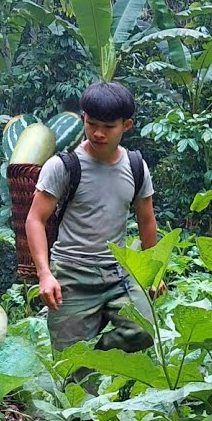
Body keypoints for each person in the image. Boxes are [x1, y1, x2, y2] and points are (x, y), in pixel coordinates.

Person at [25, 81, 165, 357]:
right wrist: (45, 274)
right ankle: (83, 360)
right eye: (92, 124)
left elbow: (147, 220)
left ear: (126, 125)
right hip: (72, 275)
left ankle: (95, 355)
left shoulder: (136, 166)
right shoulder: (63, 166)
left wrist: (155, 272)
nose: (98, 133)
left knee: (145, 331)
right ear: (83, 119)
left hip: (118, 273)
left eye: (109, 127)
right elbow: (35, 219)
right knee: (73, 367)